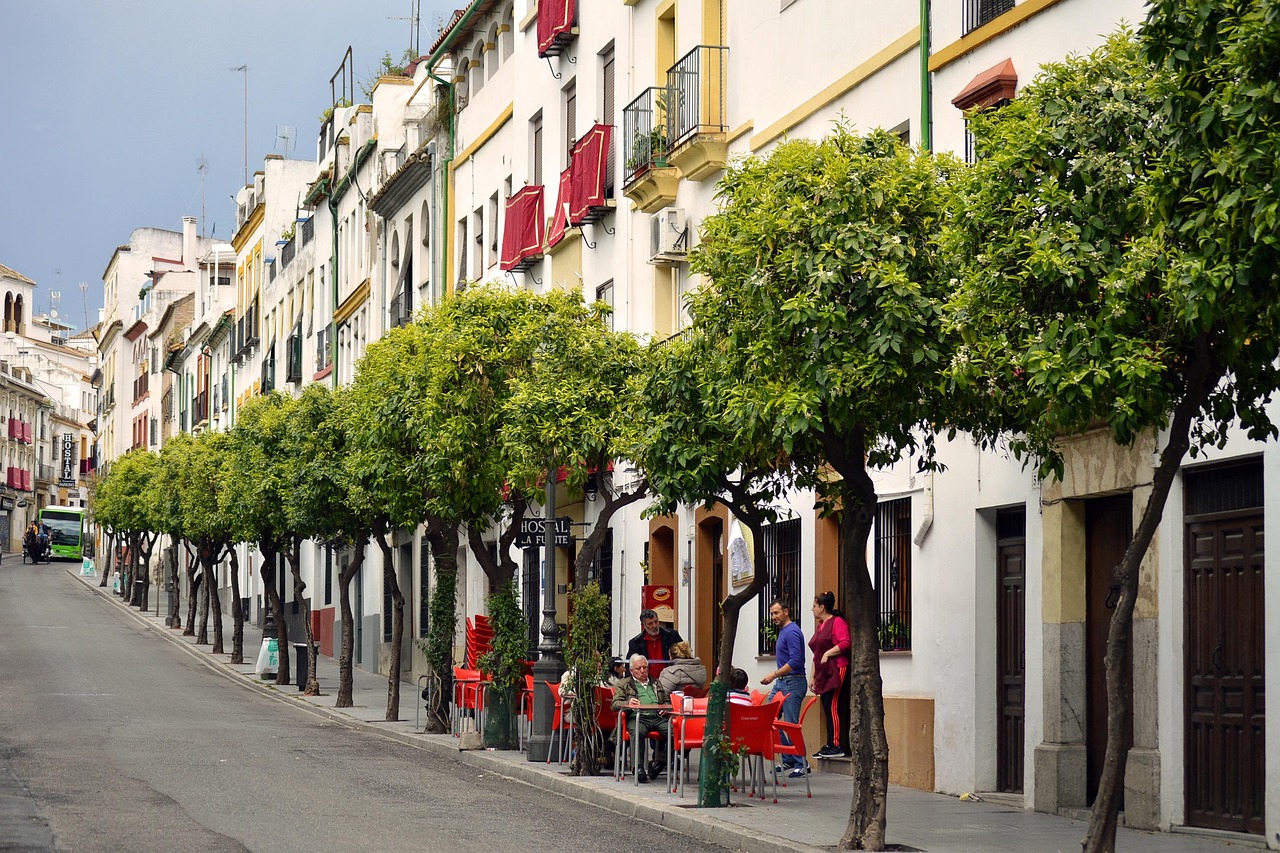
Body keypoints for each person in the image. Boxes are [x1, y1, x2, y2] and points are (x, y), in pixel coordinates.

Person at [761, 598, 809, 777]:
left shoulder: (792, 632)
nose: (773, 616)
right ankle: (788, 758)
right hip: (782, 682)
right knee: (770, 718)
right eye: (772, 613)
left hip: (793, 682)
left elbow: (796, 660)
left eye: (776, 613)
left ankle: (802, 763)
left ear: (786, 611)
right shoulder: (784, 631)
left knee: (790, 724)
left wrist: (773, 675)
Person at [611, 654, 669, 782]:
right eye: (638, 668)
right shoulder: (624, 684)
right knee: (637, 731)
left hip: (656, 717)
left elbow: (666, 700)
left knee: (676, 732)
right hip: (637, 717)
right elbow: (614, 705)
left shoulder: (656, 682)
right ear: (631, 671)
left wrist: (665, 707)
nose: (643, 671)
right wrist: (628, 703)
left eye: (645, 667)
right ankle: (638, 767)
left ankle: (660, 763)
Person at [808, 591, 851, 758]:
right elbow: (816, 654)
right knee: (826, 705)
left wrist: (828, 653)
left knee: (832, 704)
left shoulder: (837, 622)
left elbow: (845, 642)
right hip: (824, 671)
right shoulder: (820, 626)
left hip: (837, 668)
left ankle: (837, 745)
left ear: (822, 607)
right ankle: (830, 743)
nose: (812, 609)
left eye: (814, 606)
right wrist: (812, 676)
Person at [624, 609, 683, 677]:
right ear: (643, 626)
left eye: (656, 621)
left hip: (672, 678)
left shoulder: (672, 636)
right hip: (646, 680)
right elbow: (629, 666)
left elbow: (684, 656)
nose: (654, 626)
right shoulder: (635, 642)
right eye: (650, 623)